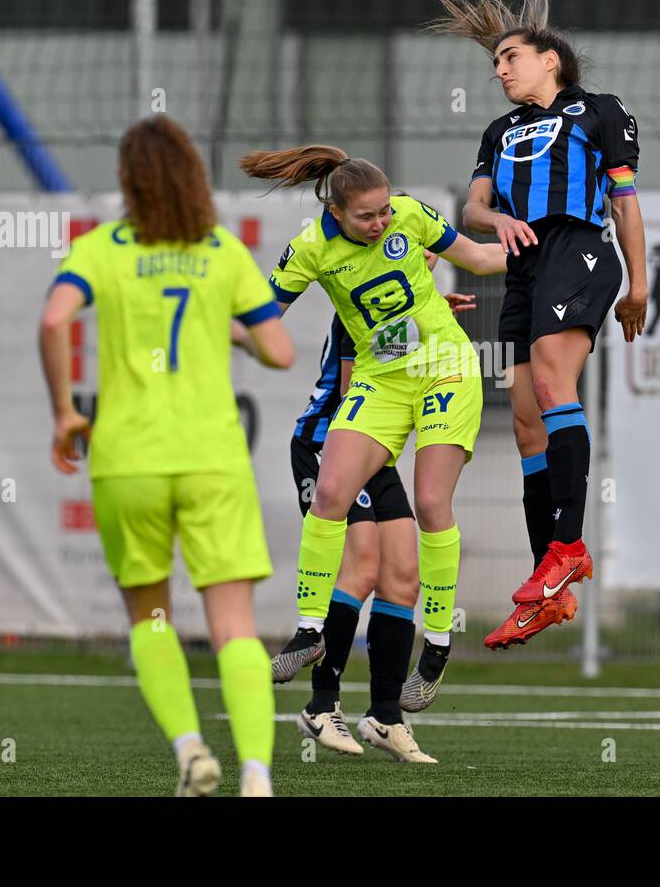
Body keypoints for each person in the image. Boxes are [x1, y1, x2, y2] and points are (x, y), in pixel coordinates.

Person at [39, 115, 294, 796]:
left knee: (150, 617)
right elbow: (280, 351)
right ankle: (258, 775)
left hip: (128, 460)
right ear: (192, 177)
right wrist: (233, 333)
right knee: (234, 623)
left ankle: (190, 752)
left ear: (128, 180)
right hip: (213, 458)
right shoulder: (219, 250)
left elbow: (53, 318)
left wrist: (67, 411)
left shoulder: (101, 249)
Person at [238, 144, 507, 761]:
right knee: (331, 496)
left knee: (432, 506)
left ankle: (435, 648)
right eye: (368, 217)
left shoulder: (409, 216)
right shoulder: (311, 249)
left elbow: (477, 258)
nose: (382, 222)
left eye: (386, 211)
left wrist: (540, 248)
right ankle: (310, 637)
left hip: (444, 368)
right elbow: (264, 315)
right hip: (379, 383)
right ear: (335, 211)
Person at [427, 0, 649, 648]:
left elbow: (626, 202)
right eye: (495, 62)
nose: (499, 70)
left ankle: (569, 550)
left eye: (511, 57)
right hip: (524, 267)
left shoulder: (599, 112)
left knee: (555, 388)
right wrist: (495, 219)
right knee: (527, 419)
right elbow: (472, 209)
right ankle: (543, 586)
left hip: (577, 249)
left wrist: (640, 284)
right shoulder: (498, 131)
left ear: (550, 59)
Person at [233, 281, 477, 757]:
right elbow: (353, 390)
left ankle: (386, 716)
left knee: (404, 578)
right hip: (329, 442)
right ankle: (322, 705)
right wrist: (412, 333)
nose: (426, 258)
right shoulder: (363, 300)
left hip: (376, 459)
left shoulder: (409, 302)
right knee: (362, 568)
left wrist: (427, 324)